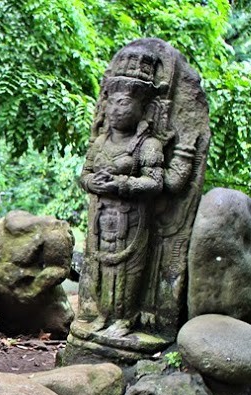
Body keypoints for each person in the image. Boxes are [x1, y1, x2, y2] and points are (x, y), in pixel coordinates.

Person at [77, 76, 164, 338]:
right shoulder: (100, 143)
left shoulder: (148, 145)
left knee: (128, 270)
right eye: (111, 104)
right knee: (101, 269)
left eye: (124, 103)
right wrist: (93, 182)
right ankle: (103, 314)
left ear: (142, 109)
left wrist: (122, 184)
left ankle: (126, 317)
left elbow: (156, 182)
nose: (115, 110)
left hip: (133, 219)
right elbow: (85, 174)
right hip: (101, 217)